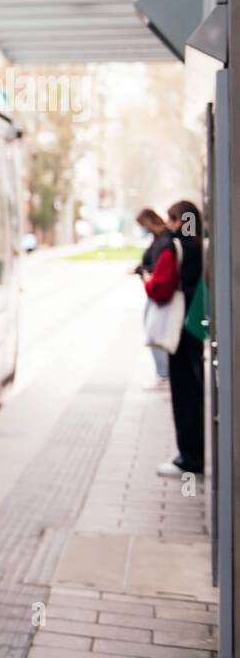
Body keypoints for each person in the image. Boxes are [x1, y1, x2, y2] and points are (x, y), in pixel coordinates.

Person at [142, 200, 205, 476]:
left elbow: (160, 289)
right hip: (196, 325)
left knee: (183, 393)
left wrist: (146, 280)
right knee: (193, 389)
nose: (168, 223)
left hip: (178, 327)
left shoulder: (175, 245)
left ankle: (188, 459)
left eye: (171, 218)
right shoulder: (199, 246)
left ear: (179, 219)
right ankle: (194, 455)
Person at [131, 207, 174, 387]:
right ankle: (163, 373)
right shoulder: (159, 239)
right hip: (154, 291)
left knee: (155, 331)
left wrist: (144, 272)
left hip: (158, 293)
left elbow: (157, 267)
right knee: (153, 330)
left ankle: (164, 374)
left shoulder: (164, 240)